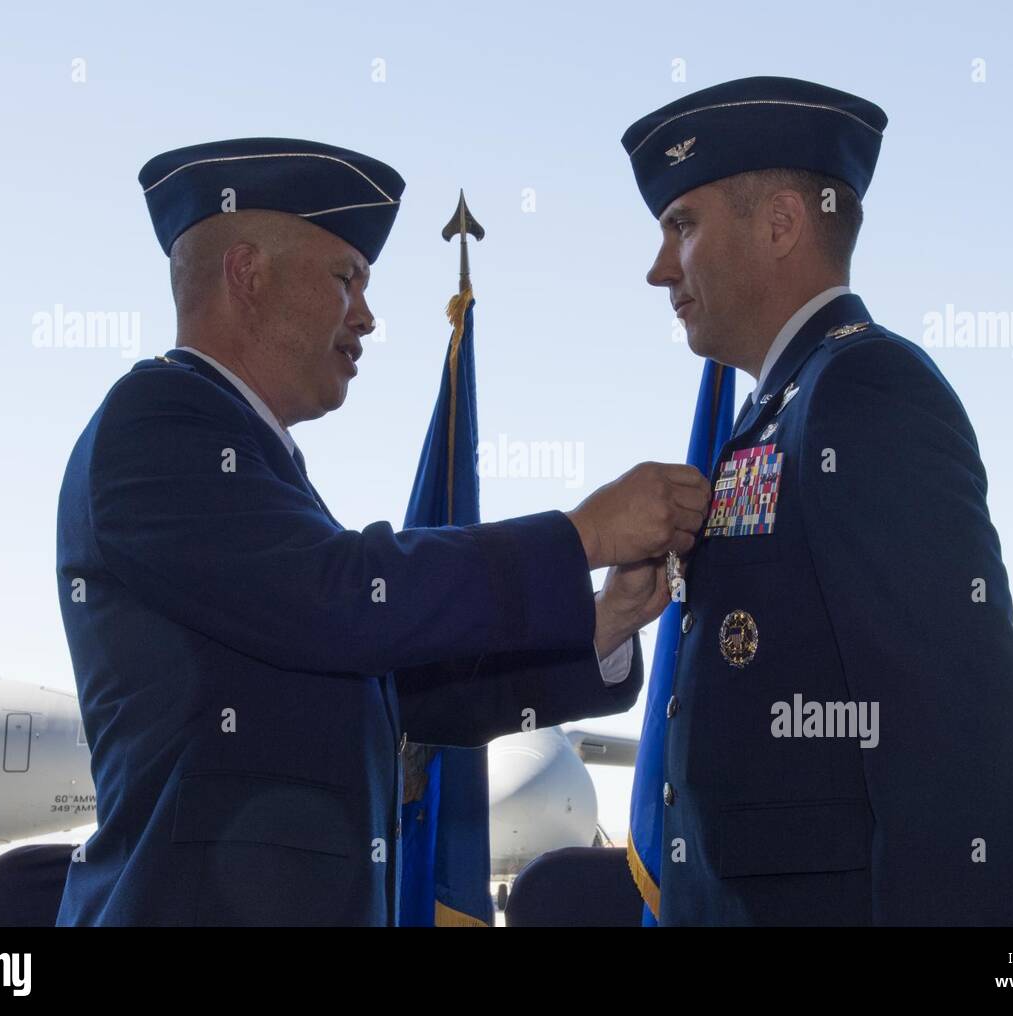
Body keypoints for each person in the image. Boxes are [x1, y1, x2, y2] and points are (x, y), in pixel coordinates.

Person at [55, 137, 710, 926]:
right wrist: (582, 535)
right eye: (346, 279)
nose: (366, 315)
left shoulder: (253, 461)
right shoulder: (158, 424)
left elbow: (402, 690)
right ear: (247, 274)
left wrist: (600, 618)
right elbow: (336, 597)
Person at [622, 78, 1013, 925]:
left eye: (682, 225)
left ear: (780, 224)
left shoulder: (864, 388)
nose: (660, 267)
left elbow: (958, 730)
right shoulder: (777, 410)